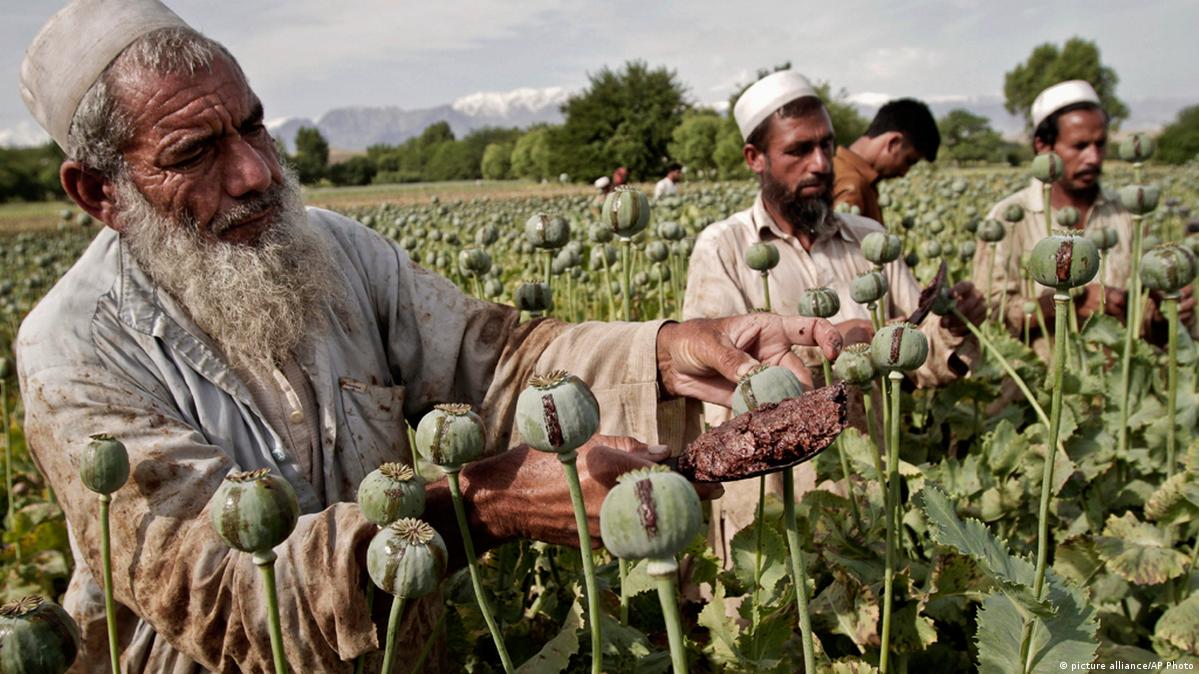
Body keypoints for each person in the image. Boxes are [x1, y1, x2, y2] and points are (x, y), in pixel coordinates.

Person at [15, 3, 843, 672]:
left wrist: (667, 350)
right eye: (196, 151)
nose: (257, 172)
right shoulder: (74, 352)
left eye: (254, 126)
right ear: (100, 191)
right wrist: (485, 507)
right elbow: (226, 598)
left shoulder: (333, 248)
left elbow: (498, 360)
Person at [682, 70, 984, 565]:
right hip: (772, 512)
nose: (821, 164)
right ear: (755, 159)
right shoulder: (724, 248)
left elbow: (914, 353)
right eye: (799, 150)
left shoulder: (869, 239)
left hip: (864, 495)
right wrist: (832, 344)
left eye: (827, 145)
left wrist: (950, 328)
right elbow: (714, 375)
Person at [972, 80, 1194, 346]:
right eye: (1080, 146)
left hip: (1119, 381)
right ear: (1043, 146)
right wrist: (1067, 303)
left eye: (1100, 144)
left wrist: (1163, 315)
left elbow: (1147, 320)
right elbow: (989, 314)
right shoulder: (1007, 217)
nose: (1093, 157)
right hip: (1038, 383)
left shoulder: (1127, 213)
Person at [832, 98, 941, 224]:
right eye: (909, 161)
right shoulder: (852, 188)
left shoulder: (836, 167)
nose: (904, 173)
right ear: (893, 143)